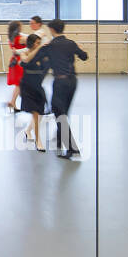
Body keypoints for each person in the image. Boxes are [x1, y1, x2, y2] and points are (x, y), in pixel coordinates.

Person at [42, 19, 88, 159]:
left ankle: (72, 149)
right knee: (63, 112)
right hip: (73, 82)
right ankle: (59, 140)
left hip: (60, 82)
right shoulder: (70, 43)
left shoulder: (50, 46)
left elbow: (42, 63)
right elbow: (84, 56)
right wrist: (77, 48)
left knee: (59, 113)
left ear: (52, 29)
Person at [17, 34, 48, 152]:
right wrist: (39, 48)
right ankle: (38, 140)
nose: (38, 45)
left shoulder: (41, 55)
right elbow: (26, 60)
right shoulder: (24, 53)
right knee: (35, 113)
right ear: (31, 43)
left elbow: (47, 65)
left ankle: (28, 130)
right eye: (36, 43)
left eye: (39, 43)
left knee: (39, 113)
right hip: (27, 87)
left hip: (37, 86)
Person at [3, 20, 24, 114]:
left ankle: (13, 102)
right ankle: (13, 102)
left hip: (14, 60)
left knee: (18, 84)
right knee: (19, 84)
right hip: (20, 61)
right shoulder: (20, 38)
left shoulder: (11, 39)